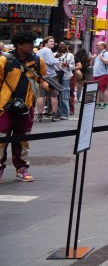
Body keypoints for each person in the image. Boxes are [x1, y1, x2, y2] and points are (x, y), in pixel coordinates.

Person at [0, 31, 49, 182]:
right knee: (1, 139)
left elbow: (42, 79)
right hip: (4, 107)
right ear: (19, 45)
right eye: (30, 43)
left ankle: (22, 169)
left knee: (23, 139)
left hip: (27, 106)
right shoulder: (5, 60)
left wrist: (48, 86)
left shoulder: (37, 61)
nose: (33, 46)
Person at [55, 42, 75, 120]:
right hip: (56, 77)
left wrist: (67, 65)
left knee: (64, 95)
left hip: (65, 77)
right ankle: (58, 112)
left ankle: (65, 113)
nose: (62, 47)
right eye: (60, 45)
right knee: (56, 95)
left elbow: (72, 66)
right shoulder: (54, 54)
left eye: (64, 45)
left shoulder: (70, 55)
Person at [92, 41, 108, 109]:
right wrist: (92, 58)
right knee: (97, 89)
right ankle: (98, 103)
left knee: (103, 89)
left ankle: (105, 103)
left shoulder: (106, 53)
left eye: (98, 45)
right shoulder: (96, 54)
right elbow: (91, 64)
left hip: (103, 74)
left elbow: (106, 62)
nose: (96, 46)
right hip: (95, 74)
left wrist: (101, 57)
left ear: (103, 46)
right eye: (96, 45)